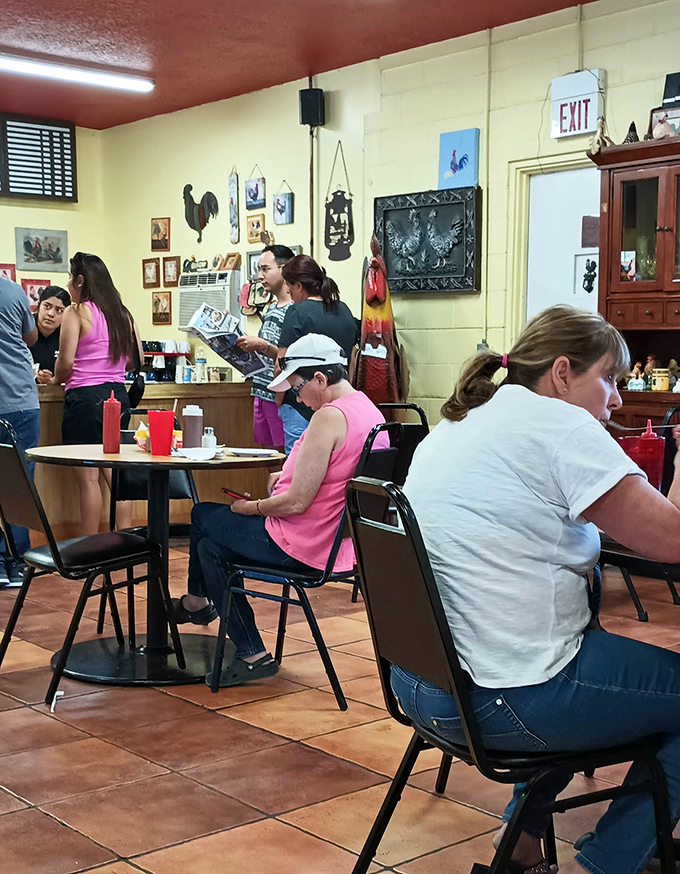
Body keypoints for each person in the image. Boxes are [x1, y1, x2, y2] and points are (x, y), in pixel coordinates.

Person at [393, 305, 680, 874]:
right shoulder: (560, 425)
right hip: (505, 702)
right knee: (570, 666)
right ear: (563, 372)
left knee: (560, 653)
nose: (617, 399)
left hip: (421, 686)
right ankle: (596, 865)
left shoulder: (458, 422)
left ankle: (522, 846)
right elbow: (671, 540)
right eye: (611, 379)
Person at [171, 334, 388, 687]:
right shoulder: (368, 410)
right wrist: (287, 472)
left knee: (202, 516)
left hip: (301, 544)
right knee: (210, 549)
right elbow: (332, 470)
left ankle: (199, 603)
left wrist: (251, 508)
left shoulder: (329, 417)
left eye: (298, 387)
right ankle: (249, 651)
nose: (295, 396)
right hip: (338, 545)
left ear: (320, 379)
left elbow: (297, 502)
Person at [50, 252, 142, 535]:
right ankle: (124, 542)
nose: (67, 284)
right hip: (118, 396)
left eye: (70, 277)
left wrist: (54, 379)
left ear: (80, 280)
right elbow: (135, 359)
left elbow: (65, 364)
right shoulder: (122, 314)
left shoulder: (75, 312)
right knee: (116, 475)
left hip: (85, 399)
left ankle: (90, 550)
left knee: (89, 479)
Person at [276, 255, 360, 453]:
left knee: (297, 465)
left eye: (289, 287)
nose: (289, 293)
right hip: (338, 404)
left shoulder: (296, 312)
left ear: (298, 285)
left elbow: (282, 364)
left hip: (301, 405)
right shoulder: (344, 310)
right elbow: (354, 357)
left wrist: (280, 401)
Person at [235, 245, 294, 451]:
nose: (260, 276)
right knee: (266, 454)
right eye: (258, 270)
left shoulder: (294, 310)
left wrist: (262, 345)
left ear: (284, 269)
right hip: (260, 390)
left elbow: (291, 356)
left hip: (279, 395)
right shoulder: (271, 308)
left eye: (265, 269)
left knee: (282, 455)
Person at [0, 275, 39, 587]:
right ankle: (18, 560)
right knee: (21, 483)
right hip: (21, 399)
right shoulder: (13, 290)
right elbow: (32, 336)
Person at [32, 285, 71, 384]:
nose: (51, 314)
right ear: (39, 306)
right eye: (47, 306)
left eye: (58, 310)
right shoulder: (25, 327)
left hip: (56, 393)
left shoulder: (67, 333)